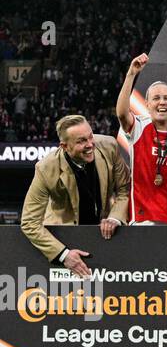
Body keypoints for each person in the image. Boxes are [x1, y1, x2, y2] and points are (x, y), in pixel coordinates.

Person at [21, 114, 130, 275]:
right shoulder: (45, 168)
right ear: (64, 146)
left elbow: (124, 188)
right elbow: (29, 222)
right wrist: (64, 254)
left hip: (105, 234)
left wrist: (115, 217)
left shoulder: (109, 146)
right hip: (65, 238)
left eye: (90, 137)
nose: (90, 144)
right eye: (81, 141)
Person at [115, 53, 167, 225]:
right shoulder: (139, 126)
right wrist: (131, 74)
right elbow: (122, 113)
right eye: (156, 98)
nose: (162, 102)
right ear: (147, 105)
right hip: (143, 222)